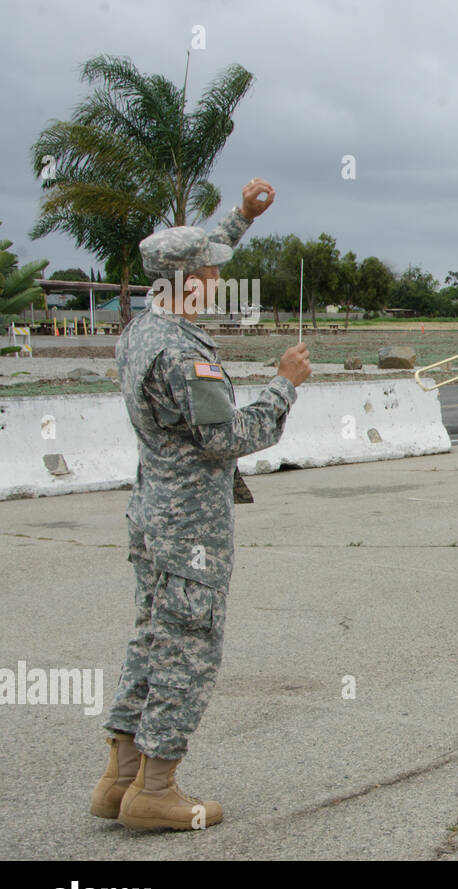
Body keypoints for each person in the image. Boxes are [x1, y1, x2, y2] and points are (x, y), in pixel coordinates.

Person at [95, 178, 312, 831]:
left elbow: (207, 244)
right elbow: (230, 438)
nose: (218, 280)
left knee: (153, 637)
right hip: (191, 522)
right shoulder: (183, 352)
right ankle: (156, 788)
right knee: (189, 646)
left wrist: (242, 215)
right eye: (210, 274)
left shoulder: (140, 331)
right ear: (187, 280)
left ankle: (119, 777)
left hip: (153, 511)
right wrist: (283, 385)